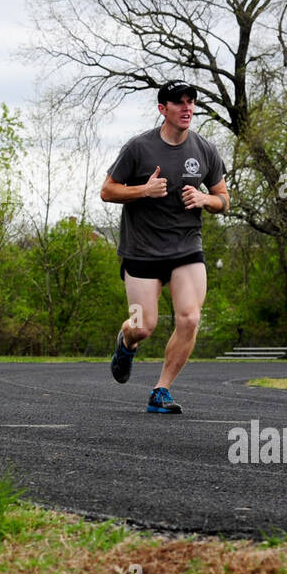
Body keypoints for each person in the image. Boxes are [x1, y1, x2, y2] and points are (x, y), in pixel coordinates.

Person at [101, 81, 229, 414]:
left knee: (189, 317)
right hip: (141, 252)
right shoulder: (138, 148)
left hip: (185, 248)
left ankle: (161, 391)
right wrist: (143, 190)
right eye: (179, 103)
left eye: (191, 102)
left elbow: (224, 199)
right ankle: (125, 343)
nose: (187, 108)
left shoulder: (205, 150)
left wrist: (205, 199)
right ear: (163, 109)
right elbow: (107, 191)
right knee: (143, 326)